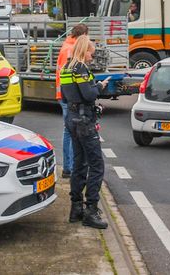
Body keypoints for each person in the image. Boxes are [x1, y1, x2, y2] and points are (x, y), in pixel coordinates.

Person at [59, 38, 108, 229]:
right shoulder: (81, 69)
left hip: (72, 119)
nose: (91, 57)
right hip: (84, 121)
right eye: (90, 53)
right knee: (96, 165)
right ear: (83, 50)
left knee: (79, 164)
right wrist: (99, 86)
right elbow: (89, 95)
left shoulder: (66, 68)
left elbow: (64, 96)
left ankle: (76, 208)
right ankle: (91, 211)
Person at [56, 23, 89, 178]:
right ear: (83, 36)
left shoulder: (67, 46)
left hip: (65, 96)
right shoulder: (70, 50)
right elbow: (68, 77)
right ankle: (70, 167)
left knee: (69, 131)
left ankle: (69, 167)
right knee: (71, 132)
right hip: (68, 98)